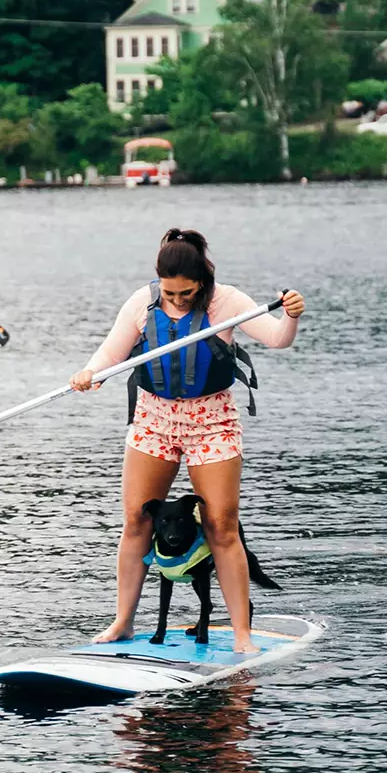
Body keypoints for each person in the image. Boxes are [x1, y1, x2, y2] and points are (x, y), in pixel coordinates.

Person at [70, 229, 306, 654]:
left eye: (186, 293)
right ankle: (123, 622)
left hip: (211, 421)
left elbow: (277, 339)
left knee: (221, 526)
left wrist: (291, 315)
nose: (176, 301)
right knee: (136, 521)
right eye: (169, 293)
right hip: (154, 419)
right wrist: (89, 372)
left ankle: (241, 635)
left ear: (203, 280)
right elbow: (110, 353)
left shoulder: (228, 302)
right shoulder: (142, 303)